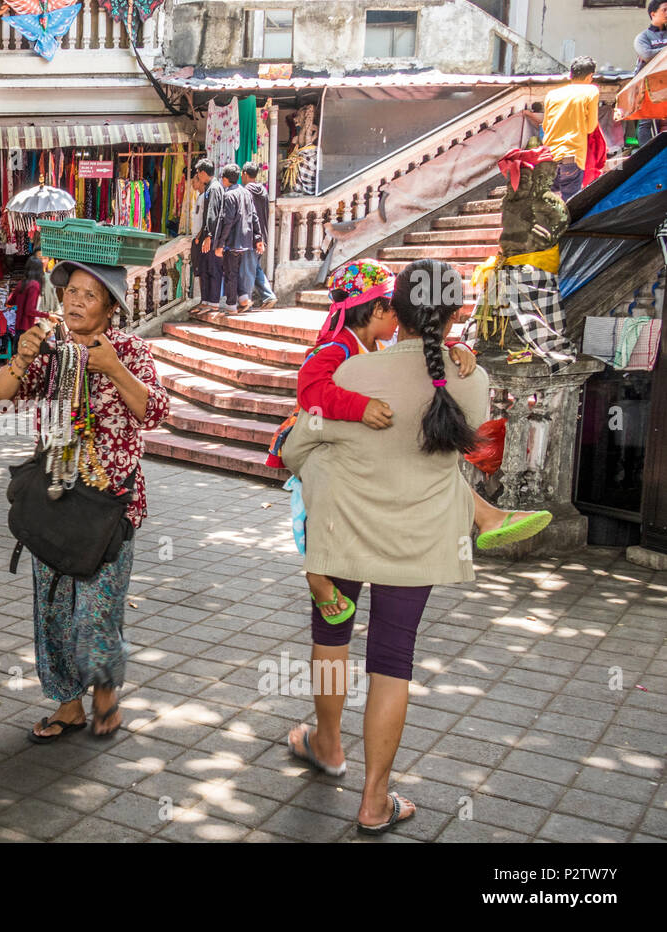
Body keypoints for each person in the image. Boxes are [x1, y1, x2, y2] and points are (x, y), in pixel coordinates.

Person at [279, 258, 490, 835]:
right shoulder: (470, 379)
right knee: (393, 659)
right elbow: (468, 444)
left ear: (393, 311)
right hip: (417, 540)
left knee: (330, 636)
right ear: (454, 315)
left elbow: (297, 447)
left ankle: (327, 744)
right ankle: (375, 801)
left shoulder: (348, 377)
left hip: (342, 530)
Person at [270, 258, 552, 620]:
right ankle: (317, 578)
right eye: (390, 308)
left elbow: (426, 341)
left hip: (360, 470)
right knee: (321, 527)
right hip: (320, 460)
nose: (398, 316)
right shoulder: (334, 352)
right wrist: (359, 406)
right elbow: (310, 393)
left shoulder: (372, 353)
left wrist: (456, 347)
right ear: (376, 309)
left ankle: (488, 517)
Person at [0, 260, 170, 743]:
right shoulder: (49, 350)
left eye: (89, 296)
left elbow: (154, 410)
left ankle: (106, 695)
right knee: (50, 608)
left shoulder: (131, 350)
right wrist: (20, 359)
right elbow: (1, 398)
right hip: (53, 497)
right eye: (70, 291)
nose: (74, 301)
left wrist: (110, 365)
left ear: (111, 307)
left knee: (97, 610)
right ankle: (67, 705)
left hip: (110, 505)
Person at [541, 57, 600, 200]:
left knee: (549, 202)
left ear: (571, 75)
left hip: (549, 155)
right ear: (589, 76)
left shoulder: (552, 94)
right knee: (570, 202)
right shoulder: (591, 91)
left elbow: (545, 125)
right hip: (571, 156)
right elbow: (591, 127)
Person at [213, 164, 265, 312]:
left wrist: (220, 244)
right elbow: (254, 217)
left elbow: (227, 221)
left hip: (233, 240)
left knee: (230, 272)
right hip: (245, 240)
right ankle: (243, 298)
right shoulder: (245, 193)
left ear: (225, 178)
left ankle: (231, 305)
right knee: (234, 270)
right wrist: (258, 238)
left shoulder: (229, 195)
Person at [240, 162, 276, 307]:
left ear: (244, 174)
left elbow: (249, 216)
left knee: (248, 269)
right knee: (255, 268)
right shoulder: (263, 190)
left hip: (252, 236)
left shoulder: (246, 191)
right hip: (262, 235)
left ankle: (246, 300)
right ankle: (268, 296)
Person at [191, 158, 226, 307]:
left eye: (198, 173)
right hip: (207, 235)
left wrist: (210, 236)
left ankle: (213, 303)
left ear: (204, 173)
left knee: (213, 269)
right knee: (204, 269)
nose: (198, 176)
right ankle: (205, 301)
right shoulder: (211, 187)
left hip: (212, 237)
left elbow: (213, 214)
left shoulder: (214, 188)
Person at [634, 1, 667, 146]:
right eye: (664, 10)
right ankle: (645, 154)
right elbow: (646, 54)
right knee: (646, 120)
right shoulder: (643, 37)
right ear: (653, 14)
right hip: (649, 84)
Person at [8, 256, 43, 334]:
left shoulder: (21, 283)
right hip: (29, 327)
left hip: (19, 326)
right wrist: (48, 316)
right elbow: (30, 310)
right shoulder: (34, 285)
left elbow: (10, 302)